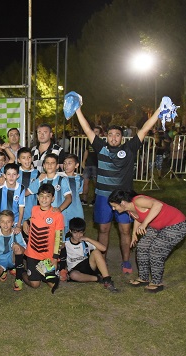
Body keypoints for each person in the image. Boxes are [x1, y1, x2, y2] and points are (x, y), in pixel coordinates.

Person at [74, 101, 161, 274]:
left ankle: (126, 261)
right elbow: (88, 130)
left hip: (124, 199)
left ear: (122, 137)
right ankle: (102, 261)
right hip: (102, 197)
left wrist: (159, 110)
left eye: (117, 135)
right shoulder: (101, 148)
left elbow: (144, 129)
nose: (114, 138)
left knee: (125, 230)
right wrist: (77, 109)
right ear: (106, 136)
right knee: (104, 229)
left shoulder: (130, 148)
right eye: (111, 135)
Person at [108, 190, 186, 292]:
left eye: (114, 206)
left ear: (122, 203)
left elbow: (158, 205)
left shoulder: (138, 201)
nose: (113, 208)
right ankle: (143, 278)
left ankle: (156, 282)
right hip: (157, 225)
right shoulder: (128, 208)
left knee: (156, 250)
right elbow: (137, 217)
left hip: (176, 225)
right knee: (142, 247)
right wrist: (134, 234)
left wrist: (145, 224)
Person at [16, 183, 63, 293]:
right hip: (33, 254)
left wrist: (55, 258)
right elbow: (33, 219)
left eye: (48, 196)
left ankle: (44, 274)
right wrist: (26, 222)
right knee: (35, 285)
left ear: (53, 198)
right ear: (37, 197)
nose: (44, 199)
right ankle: (22, 272)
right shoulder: (34, 209)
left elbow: (58, 238)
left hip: (48, 256)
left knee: (52, 285)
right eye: (41, 196)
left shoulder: (57, 215)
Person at [59, 218, 118, 292]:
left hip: (88, 265)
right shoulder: (66, 243)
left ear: (84, 232)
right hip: (75, 269)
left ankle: (107, 279)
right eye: (75, 232)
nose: (78, 235)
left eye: (81, 232)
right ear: (70, 231)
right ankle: (98, 279)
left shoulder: (85, 241)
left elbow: (103, 248)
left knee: (96, 252)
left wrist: (88, 239)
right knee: (73, 275)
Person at [0, 211, 26, 289]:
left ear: (12, 223)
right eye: (3, 222)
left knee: (16, 247)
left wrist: (17, 246)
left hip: (12, 258)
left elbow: (24, 250)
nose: (5, 224)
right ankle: (2, 270)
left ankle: (19, 278)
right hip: (0, 260)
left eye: (8, 222)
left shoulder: (16, 232)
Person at [81, 126, 101, 206]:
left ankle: (94, 200)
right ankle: (84, 200)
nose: (95, 133)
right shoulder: (89, 141)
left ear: (99, 133)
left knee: (96, 183)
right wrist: (83, 161)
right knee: (85, 182)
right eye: (94, 131)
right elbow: (86, 151)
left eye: (97, 131)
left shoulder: (100, 142)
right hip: (88, 165)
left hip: (96, 165)